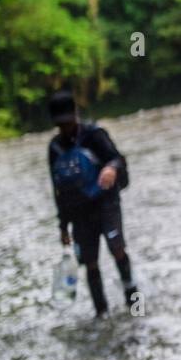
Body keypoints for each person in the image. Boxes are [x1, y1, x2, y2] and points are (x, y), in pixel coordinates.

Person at [47, 90, 137, 318]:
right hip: (79, 213)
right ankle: (101, 312)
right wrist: (62, 226)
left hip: (106, 203)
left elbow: (117, 158)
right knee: (90, 262)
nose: (65, 128)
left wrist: (111, 168)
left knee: (117, 249)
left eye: (68, 122)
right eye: (61, 124)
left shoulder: (94, 135)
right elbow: (58, 191)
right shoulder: (55, 148)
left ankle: (132, 298)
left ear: (76, 114)